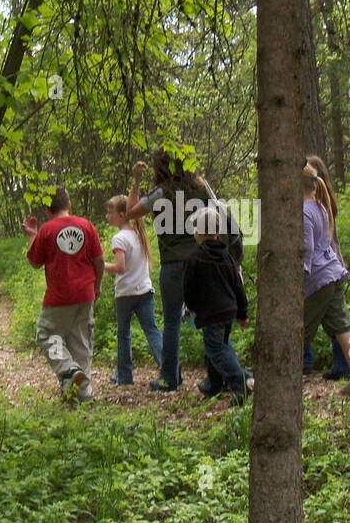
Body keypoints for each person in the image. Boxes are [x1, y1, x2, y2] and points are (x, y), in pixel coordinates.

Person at [127, 148, 239, 391]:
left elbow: (130, 212)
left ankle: (169, 377)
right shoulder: (201, 187)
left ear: (160, 167)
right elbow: (220, 215)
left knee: (171, 321)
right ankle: (223, 375)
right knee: (213, 318)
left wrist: (136, 180)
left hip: (174, 266)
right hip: (206, 261)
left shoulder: (160, 193)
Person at [23, 186, 104, 402]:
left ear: (47, 210)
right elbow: (99, 260)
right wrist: (97, 285)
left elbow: (34, 262)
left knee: (47, 335)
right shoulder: (86, 225)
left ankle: (67, 369)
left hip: (59, 297)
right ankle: (83, 393)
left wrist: (32, 236)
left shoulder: (47, 230)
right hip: (85, 292)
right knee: (81, 341)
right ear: (69, 204)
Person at [303, 163, 350, 396]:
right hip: (335, 273)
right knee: (344, 328)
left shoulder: (304, 211)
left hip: (318, 279)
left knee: (297, 329)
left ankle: (280, 381)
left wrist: (301, 275)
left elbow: (307, 248)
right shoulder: (321, 206)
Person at [182, 203, 250, 404]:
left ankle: (242, 382)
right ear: (219, 231)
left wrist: (192, 307)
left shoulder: (194, 258)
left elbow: (189, 288)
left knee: (216, 349)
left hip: (211, 313)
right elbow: (238, 286)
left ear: (197, 232)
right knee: (219, 345)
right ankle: (214, 384)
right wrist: (242, 312)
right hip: (228, 311)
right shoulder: (228, 257)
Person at [103, 194, 163, 385]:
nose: (107, 216)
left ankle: (125, 376)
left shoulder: (119, 238)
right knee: (152, 330)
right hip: (145, 292)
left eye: (110, 212)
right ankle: (168, 366)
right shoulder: (139, 235)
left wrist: (102, 265)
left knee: (123, 334)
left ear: (122, 215)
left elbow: (120, 268)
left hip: (126, 294)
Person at [302, 154, 350, 381]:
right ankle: (349, 368)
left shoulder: (317, 206)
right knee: (341, 325)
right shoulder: (321, 205)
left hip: (321, 271)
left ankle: (340, 365)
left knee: (305, 322)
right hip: (332, 268)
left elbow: (322, 242)